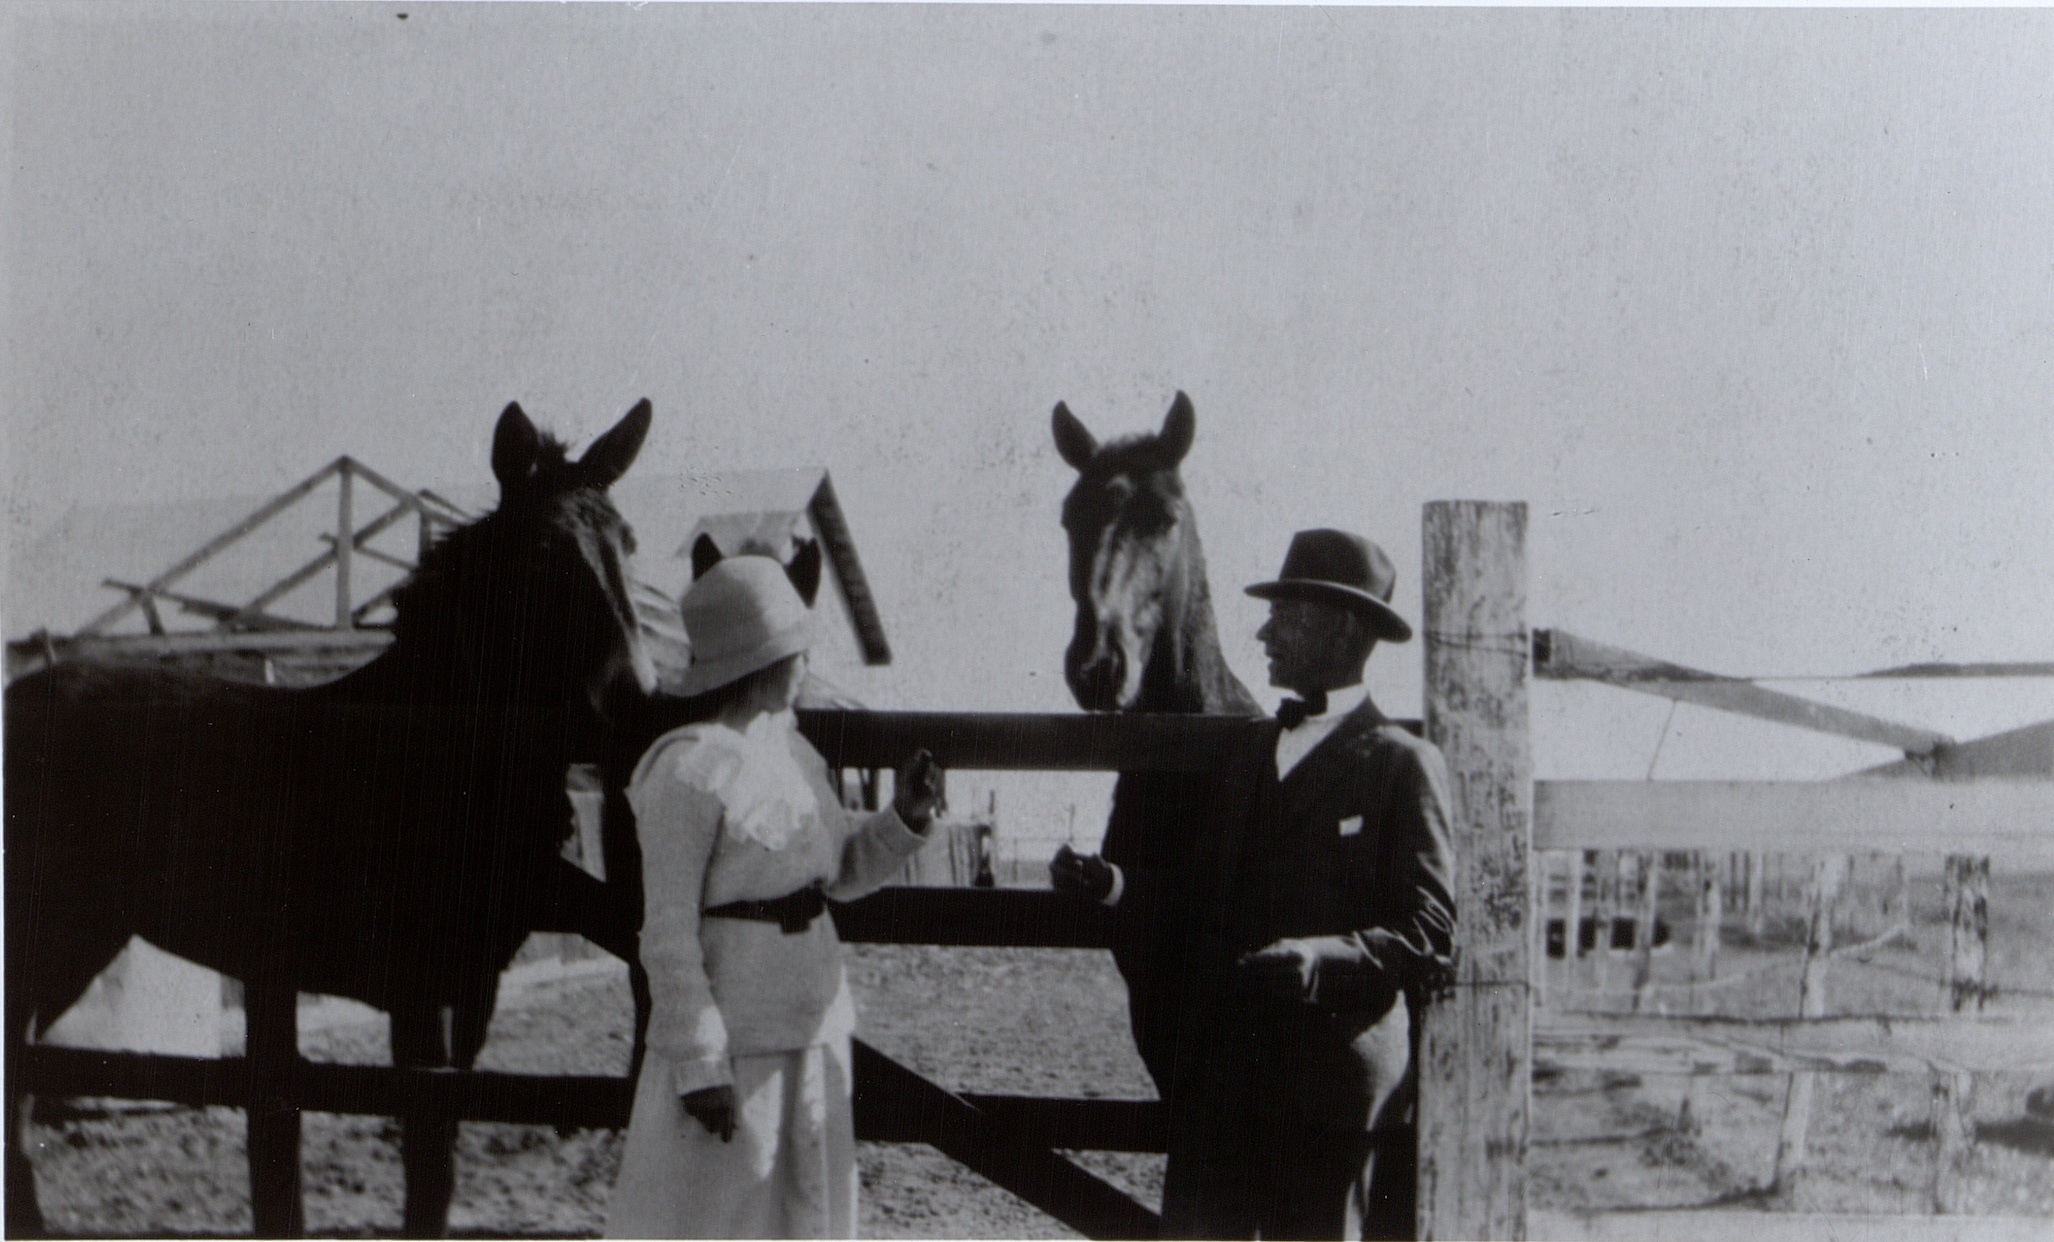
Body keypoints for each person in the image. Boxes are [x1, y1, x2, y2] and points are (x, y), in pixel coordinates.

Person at [1053, 528, 1457, 1240]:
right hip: (1224, 1088)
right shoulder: (1245, 752)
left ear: (1342, 627)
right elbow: (1204, 891)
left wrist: (1320, 962)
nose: (1265, 634)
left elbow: (1430, 931)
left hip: (1330, 1098)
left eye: (1285, 616)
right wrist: (1114, 884)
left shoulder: (1403, 764)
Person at [606, 551, 943, 1239]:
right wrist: (700, 1062)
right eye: (796, 652)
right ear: (755, 661)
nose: (807, 665)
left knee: (806, 1211)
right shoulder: (686, 768)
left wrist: (903, 818)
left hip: (812, 1028)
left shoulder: (797, 756)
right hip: (736, 1044)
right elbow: (667, 932)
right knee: (722, 1217)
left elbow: (839, 873)